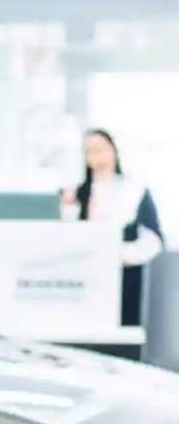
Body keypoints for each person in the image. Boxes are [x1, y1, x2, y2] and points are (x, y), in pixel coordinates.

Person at [60, 128, 165, 326]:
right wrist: (69, 206)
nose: (96, 156)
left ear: (113, 150)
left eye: (100, 149)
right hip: (88, 284)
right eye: (89, 151)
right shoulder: (79, 195)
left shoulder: (134, 191)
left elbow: (153, 241)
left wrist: (120, 255)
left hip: (127, 281)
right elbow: (70, 237)